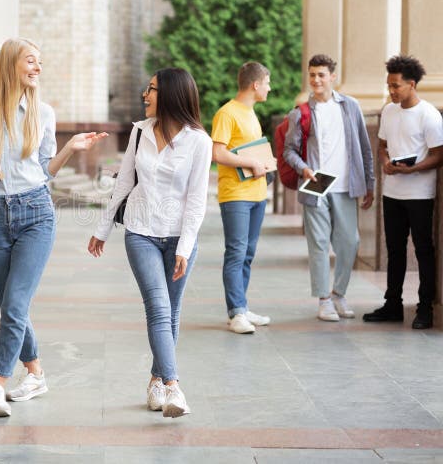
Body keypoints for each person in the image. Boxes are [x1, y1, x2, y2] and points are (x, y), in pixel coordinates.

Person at [0, 38, 108, 417]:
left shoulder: (44, 113)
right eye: (31, 61)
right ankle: (36, 372)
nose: (38, 68)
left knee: (16, 303)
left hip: (36, 213)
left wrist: (70, 148)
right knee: (10, 304)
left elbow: (44, 172)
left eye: (40, 62)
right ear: (11, 64)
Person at [88, 68, 211, 418]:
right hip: (140, 231)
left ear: (171, 95)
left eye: (152, 89)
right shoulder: (140, 132)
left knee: (170, 313)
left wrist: (185, 248)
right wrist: (103, 228)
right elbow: (125, 180)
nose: (145, 94)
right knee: (158, 308)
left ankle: (156, 379)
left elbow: (197, 200)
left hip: (179, 237)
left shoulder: (198, 141)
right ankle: (173, 387)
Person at [283, 54, 375, 322]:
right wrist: (304, 169)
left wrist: (369, 182)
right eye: (312, 75)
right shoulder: (301, 113)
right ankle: (323, 299)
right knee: (319, 243)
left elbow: (364, 147)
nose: (316, 80)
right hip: (316, 183)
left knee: (350, 241)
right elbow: (289, 151)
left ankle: (339, 293)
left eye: (321, 75)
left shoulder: (350, 107)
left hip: (346, 184)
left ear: (333, 76)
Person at [363, 55, 443, 329]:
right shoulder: (389, 111)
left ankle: (425, 309)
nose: (391, 91)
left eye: (396, 86)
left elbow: (438, 155)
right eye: (389, 86)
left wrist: (414, 169)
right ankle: (392, 305)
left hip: (420, 194)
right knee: (394, 250)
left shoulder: (429, 115)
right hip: (392, 193)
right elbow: (382, 144)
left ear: (411, 84)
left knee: (423, 250)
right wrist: (385, 161)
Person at [210, 61, 273, 334]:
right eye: (267, 83)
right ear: (255, 84)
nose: (270, 88)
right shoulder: (227, 113)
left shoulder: (251, 113)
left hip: (257, 193)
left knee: (247, 253)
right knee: (236, 252)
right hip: (235, 194)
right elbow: (218, 153)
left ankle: (242, 308)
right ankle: (236, 313)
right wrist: (251, 161)